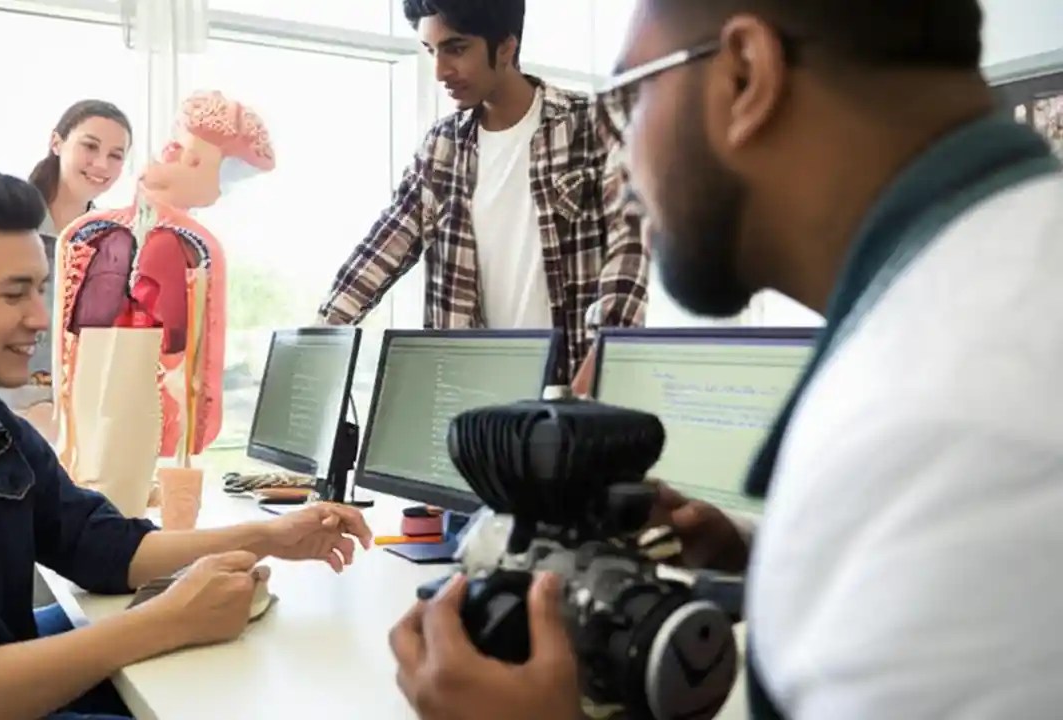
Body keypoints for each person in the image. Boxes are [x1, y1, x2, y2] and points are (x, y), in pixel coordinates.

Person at [390, 0, 1063, 718]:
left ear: (745, 76)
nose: (619, 179)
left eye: (630, 99)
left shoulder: (944, 428)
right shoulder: (995, 298)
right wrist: (761, 555)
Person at [0, 166, 373, 720]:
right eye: (14, 294)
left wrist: (266, 536)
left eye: (41, 290)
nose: (41, 318)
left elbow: (97, 547)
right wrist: (168, 621)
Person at [317, 0, 649, 386]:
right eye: (430, 51)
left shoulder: (592, 127)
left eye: (456, 49)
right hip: (474, 405)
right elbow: (382, 250)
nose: (440, 71)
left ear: (506, 47)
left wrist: (587, 391)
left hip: (571, 394)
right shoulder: (442, 148)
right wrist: (318, 341)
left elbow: (629, 264)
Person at [0, 100, 133, 423]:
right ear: (57, 143)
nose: (102, 164)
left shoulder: (112, 245)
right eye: (90, 146)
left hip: (79, 422)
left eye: (116, 155)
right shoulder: (5, 225)